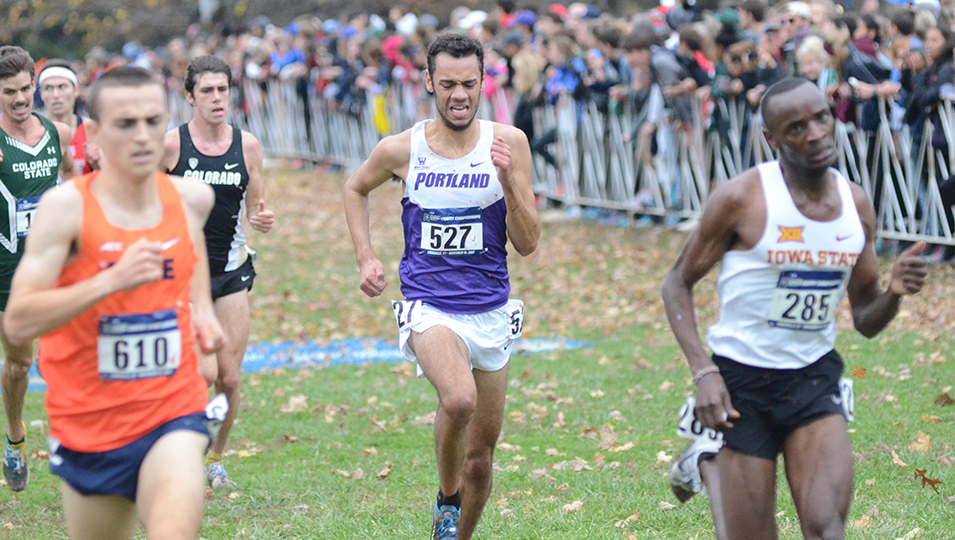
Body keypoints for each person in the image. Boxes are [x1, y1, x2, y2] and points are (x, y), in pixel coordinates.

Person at [661, 77, 927, 540]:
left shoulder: (856, 204)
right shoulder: (742, 198)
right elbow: (677, 283)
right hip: (742, 383)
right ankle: (708, 460)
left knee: (826, 529)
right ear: (773, 139)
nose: (816, 134)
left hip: (813, 378)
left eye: (822, 118)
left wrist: (894, 293)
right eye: (796, 128)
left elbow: (866, 318)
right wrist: (704, 372)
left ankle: (710, 458)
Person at [2, 66, 225, 540]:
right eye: (126, 124)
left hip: (172, 409)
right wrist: (108, 282)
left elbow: (191, 251)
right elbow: (18, 322)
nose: (143, 136)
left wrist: (203, 309)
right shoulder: (66, 209)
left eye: (153, 121)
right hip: (90, 420)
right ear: (96, 134)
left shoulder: (192, 198)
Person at [343, 33, 539, 540]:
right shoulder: (401, 148)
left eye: (469, 84)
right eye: (448, 84)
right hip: (429, 307)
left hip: (491, 310)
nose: (459, 95)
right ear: (429, 82)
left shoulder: (509, 143)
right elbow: (355, 188)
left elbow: (528, 243)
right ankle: (447, 497)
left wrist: (508, 182)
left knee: (481, 459)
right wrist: (366, 256)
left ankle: (455, 530)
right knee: (458, 399)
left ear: (483, 83)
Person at [162, 54, 274, 490]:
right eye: (206, 91)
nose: (216, 98)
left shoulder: (247, 146)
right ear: (189, 96)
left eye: (222, 90)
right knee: (203, 373)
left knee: (228, 377)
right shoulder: (171, 146)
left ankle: (214, 459)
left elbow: (256, 206)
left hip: (230, 272)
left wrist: (261, 218)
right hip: (182, 275)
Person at [0, 45, 79, 492]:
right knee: (18, 364)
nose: (19, 99)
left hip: (52, 267)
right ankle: (15, 439)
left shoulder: (57, 133)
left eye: (24, 88)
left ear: (34, 83)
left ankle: (75, 440)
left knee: (63, 358)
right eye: (8, 92)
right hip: (6, 270)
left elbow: (72, 176)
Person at [38, 60, 100, 174]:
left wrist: (97, 165)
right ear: (41, 93)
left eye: (62, 87)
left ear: (76, 90)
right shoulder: (33, 131)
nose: (56, 95)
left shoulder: (92, 129)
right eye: (49, 88)